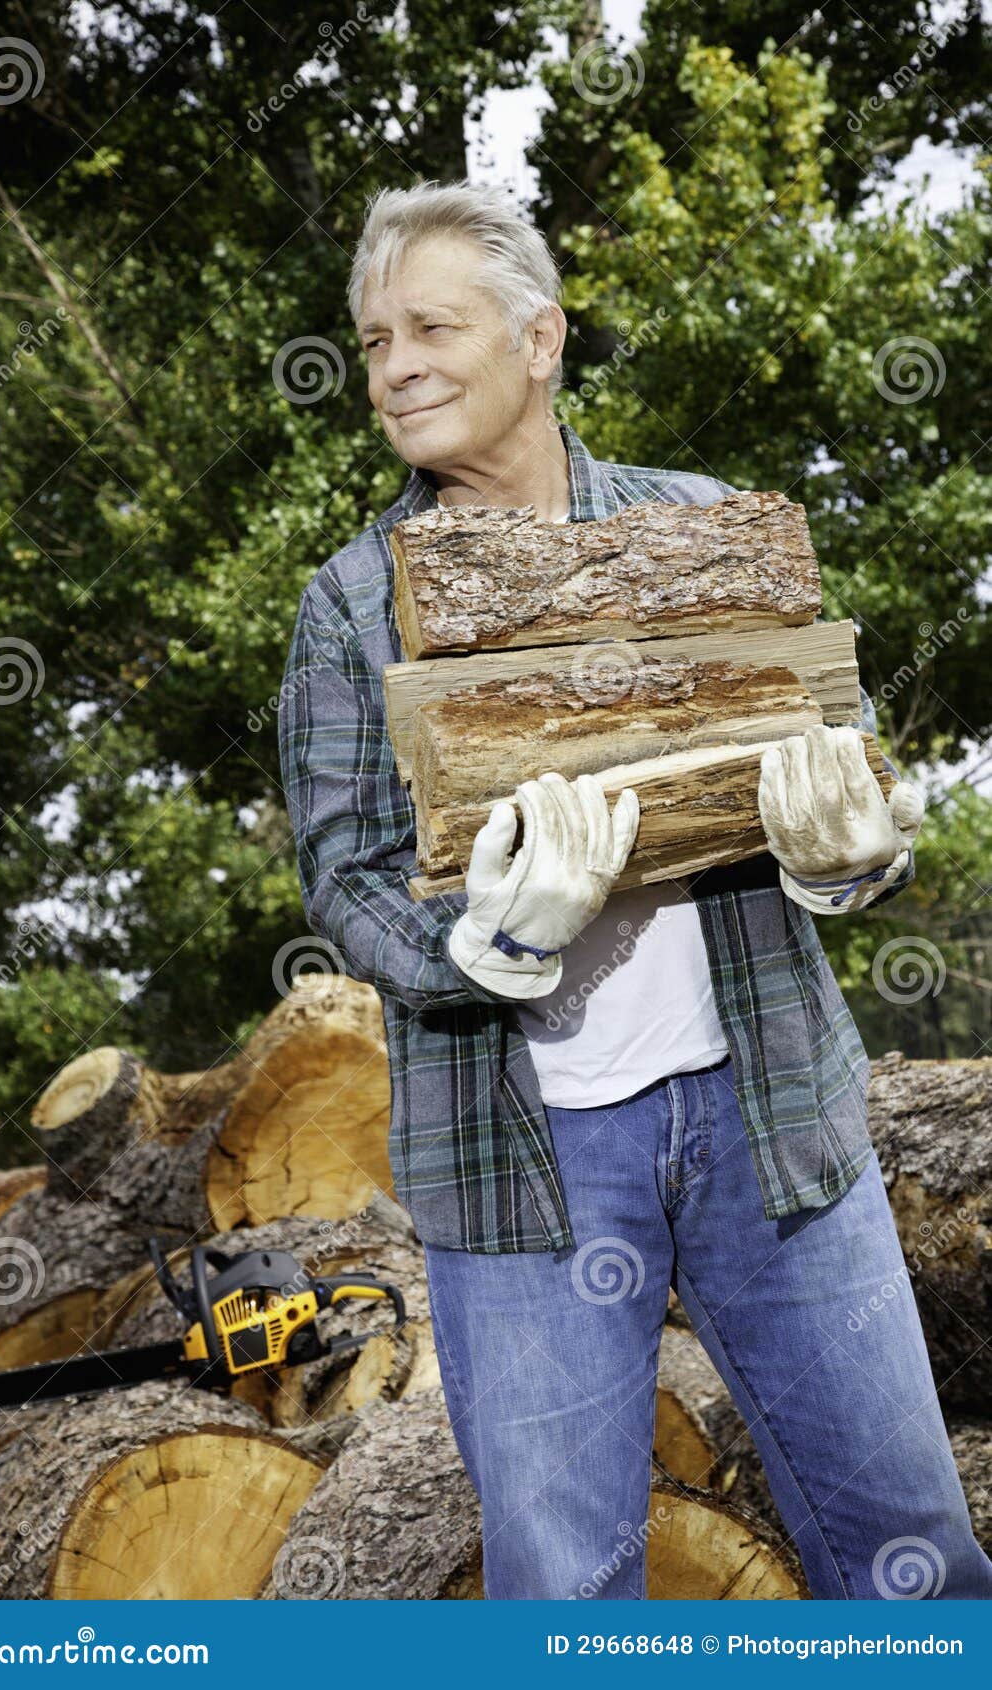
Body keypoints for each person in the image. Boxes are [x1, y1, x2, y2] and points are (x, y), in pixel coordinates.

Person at [278, 179, 992, 1601]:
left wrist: (853, 856)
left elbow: (825, 765)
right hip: (523, 1162)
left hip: (768, 1111)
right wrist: (478, 944)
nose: (395, 364)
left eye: (430, 326)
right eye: (371, 343)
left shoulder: (704, 524)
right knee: (563, 1596)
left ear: (539, 341)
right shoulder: (351, 600)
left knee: (913, 1559)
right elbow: (343, 873)